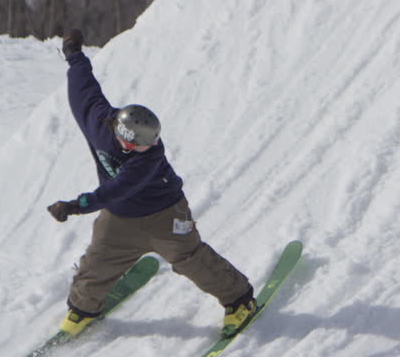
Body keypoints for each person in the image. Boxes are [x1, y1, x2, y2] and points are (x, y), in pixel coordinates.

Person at [46, 28, 256, 337]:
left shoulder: (149, 159)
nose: (148, 147)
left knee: (190, 259)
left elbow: (113, 190)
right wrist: (74, 54)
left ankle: (240, 300)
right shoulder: (99, 123)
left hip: (165, 214)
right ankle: (83, 310)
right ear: (123, 137)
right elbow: (82, 89)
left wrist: (75, 206)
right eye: (139, 143)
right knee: (97, 262)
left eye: (150, 141)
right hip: (119, 218)